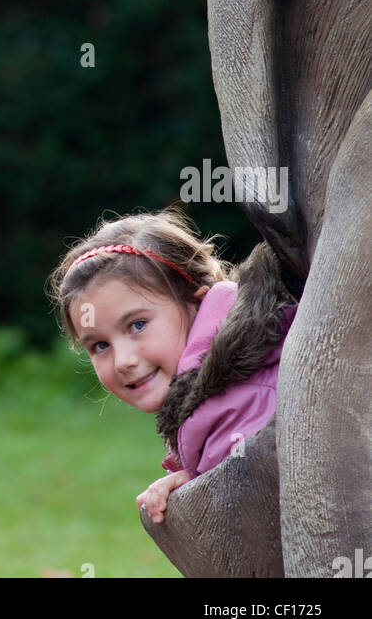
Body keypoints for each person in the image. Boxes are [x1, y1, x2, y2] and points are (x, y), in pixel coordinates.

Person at [46, 206, 297, 524]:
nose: (123, 361)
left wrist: (200, 486)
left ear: (195, 300)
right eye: (100, 345)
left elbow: (261, 500)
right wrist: (192, 479)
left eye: (137, 325)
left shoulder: (246, 391)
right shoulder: (213, 393)